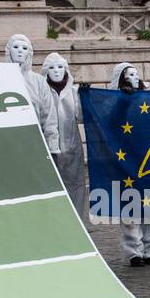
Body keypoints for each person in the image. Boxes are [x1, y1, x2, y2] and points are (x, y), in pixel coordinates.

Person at [109, 62, 150, 266]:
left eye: (136, 73)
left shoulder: (148, 98)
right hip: (124, 157)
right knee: (129, 206)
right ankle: (134, 251)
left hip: (149, 157)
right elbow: (110, 120)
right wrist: (123, 100)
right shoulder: (112, 99)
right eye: (129, 74)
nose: (134, 77)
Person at [42, 52, 87, 220]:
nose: (56, 71)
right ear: (46, 70)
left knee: (76, 186)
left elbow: (82, 117)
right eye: (52, 67)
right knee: (52, 187)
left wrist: (86, 98)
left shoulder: (73, 92)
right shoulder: (43, 91)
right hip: (48, 149)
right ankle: (55, 221)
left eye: (60, 67)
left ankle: (77, 222)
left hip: (72, 147)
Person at [4, 34, 60, 155]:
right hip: (6, 144)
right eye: (16, 47)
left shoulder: (38, 81)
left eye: (24, 48)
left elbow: (49, 115)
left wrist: (52, 147)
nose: (20, 51)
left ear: (29, 53)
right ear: (8, 50)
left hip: (35, 144)